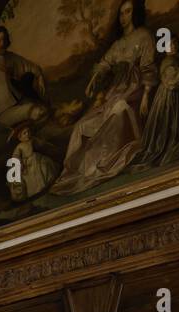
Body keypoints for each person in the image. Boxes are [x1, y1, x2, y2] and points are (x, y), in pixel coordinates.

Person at [51, 0, 157, 196]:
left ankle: (101, 164)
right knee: (81, 126)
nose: (124, 16)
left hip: (134, 90)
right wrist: (93, 80)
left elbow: (148, 68)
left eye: (128, 12)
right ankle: (75, 169)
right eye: (122, 13)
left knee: (118, 111)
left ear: (135, 13)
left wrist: (146, 96)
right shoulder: (117, 44)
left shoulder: (144, 36)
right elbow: (104, 64)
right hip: (114, 92)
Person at [132, 35, 179, 170]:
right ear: (164, 48)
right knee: (168, 123)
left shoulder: (173, 60)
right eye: (170, 45)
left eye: (175, 44)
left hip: (172, 96)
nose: (173, 47)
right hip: (168, 96)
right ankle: (169, 146)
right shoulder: (168, 62)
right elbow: (173, 82)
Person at [0, 26, 49, 132]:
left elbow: (29, 65)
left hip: (17, 102)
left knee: (44, 108)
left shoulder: (10, 57)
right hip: (2, 114)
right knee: (37, 112)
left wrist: (39, 76)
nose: (2, 44)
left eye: (4, 40)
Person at [7, 122, 60, 202]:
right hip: (28, 164)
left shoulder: (33, 140)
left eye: (28, 131)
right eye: (24, 133)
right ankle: (36, 191)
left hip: (37, 158)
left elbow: (42, 144)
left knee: (44, 167)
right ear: (20, 137)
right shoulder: (20, 146)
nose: (27, 134)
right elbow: (16, 156)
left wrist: (46, 144)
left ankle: (45, 186)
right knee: (32, 176)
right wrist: (19, 163)